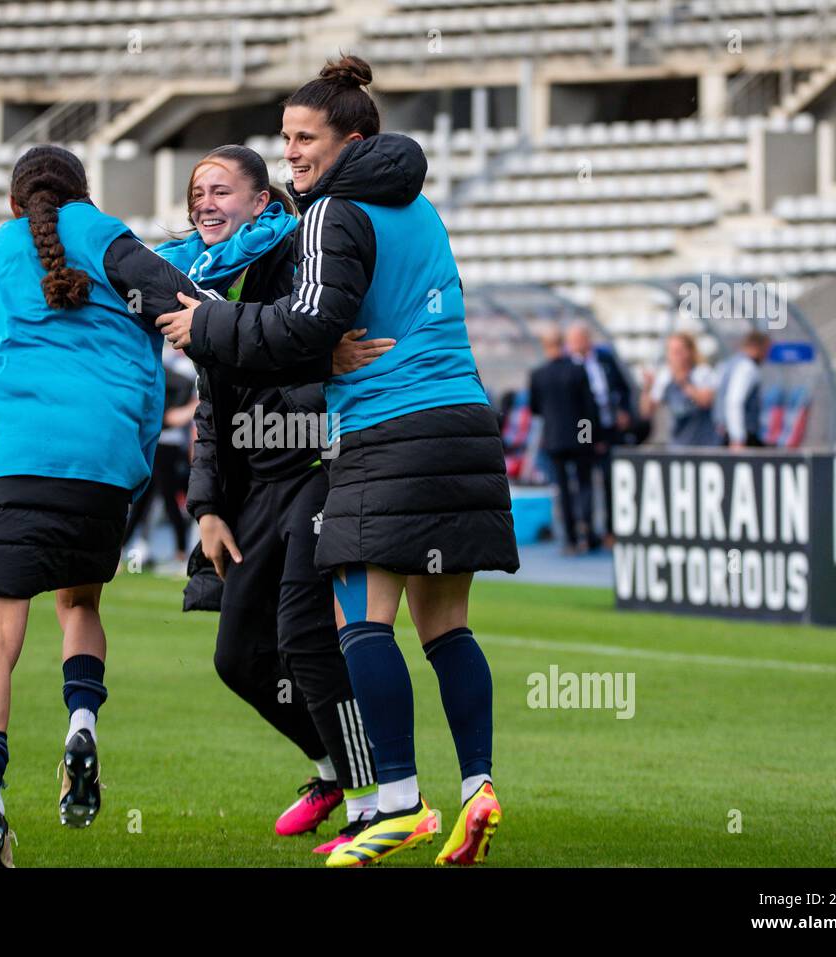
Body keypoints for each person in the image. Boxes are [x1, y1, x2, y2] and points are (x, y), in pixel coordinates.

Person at [157, 56, 519, 868]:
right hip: (463, 423)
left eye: (305, 138)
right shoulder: (420, 209)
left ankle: (394, 803)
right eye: (284, 137)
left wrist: (206, 327)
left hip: (386, 433)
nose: (291, 153)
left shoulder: (329, 213)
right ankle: (478, 785)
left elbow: (308, 327)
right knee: (448, 629)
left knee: (357, 624)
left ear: (351, 139)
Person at [0, 145, 220, 867]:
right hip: (93, 462)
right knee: (79, 605)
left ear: (14, 199)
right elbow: (179, 298)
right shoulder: (105, 236)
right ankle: (80, 723)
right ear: (79, 192)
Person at [163, 144, 388, 853]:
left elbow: (309, 346)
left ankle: (373, 798)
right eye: (197, 189)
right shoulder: (208, 279)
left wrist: (312, 357)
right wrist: (206, 507)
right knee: (238, 658)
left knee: (305, 642)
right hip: (253, 487)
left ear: (262, 202)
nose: (205, 201)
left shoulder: (298, 257)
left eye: (221, 189)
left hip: (318, 467)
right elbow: (211, 406)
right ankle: (330, 770)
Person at [120, 343, 198, 567]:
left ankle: (181, 553)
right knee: (148, 500)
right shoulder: (169, 364)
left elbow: (183, 414)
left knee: (164, 498)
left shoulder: (182, 369)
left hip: (168, 443)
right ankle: (178, 552)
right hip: (161, 440)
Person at [529, 328, 600, 554]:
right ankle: (588, 534)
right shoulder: (578, 370)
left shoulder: (538, 375)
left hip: (555, 440)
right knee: (585, 486)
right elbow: (590, 407)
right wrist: (591, 438)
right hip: (580, 439)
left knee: (563, 489)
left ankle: (570, 539)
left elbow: (535, 408)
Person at [565, 321, 635, 546]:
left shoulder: (604, 360)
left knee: (609, 478)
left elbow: (623, 388)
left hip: (609, 426)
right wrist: (589, 437)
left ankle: (611, 529)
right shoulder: (568, 367)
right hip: (584, 428)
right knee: (584, 478)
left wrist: (623, 411)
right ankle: (587, 528)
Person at [639, 332, 719, 448]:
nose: (675, 356)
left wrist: (683, 382)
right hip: (678, 445)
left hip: (704, 444)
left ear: (689, 352)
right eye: (672, 351)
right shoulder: (665, 377)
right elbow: (646, 412)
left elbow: (705, 401)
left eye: (679, 351)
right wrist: (647, 388)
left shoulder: (701, 373)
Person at [713, 331, 771, 449]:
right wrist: (738, 438)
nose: (766, 356)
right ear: (757, 347)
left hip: (726, 433)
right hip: (741, 437)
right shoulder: (747, 367)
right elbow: (734, 402)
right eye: (765, 350)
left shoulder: (729, 364)